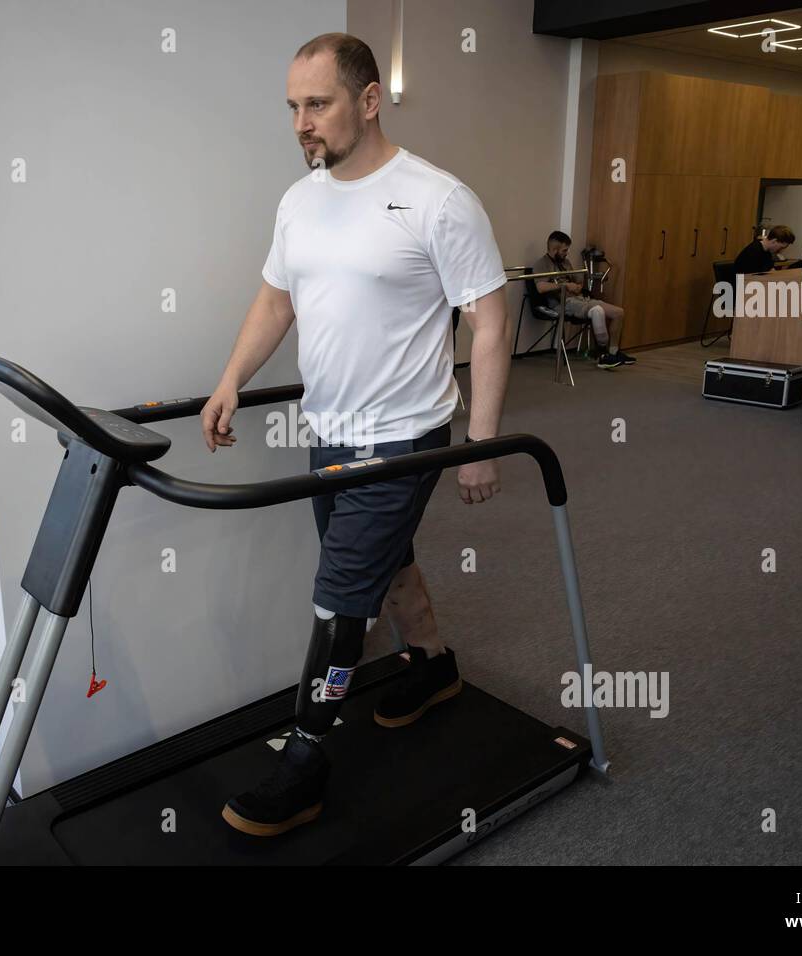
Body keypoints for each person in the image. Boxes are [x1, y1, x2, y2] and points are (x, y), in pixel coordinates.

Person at [199, 33, 509, 837]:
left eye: (317, 104)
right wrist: (231, 378)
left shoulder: (438, 198)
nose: (301, 123)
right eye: (293, 107)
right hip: (328, 429)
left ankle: (304, 762)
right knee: (386, 561)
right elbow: (276, 301)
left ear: (369, 101)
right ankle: (436, 664)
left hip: (405, 436)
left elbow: (490, 318)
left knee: (340, 602)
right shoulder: (299, 200)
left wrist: (477, 442)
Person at [535, 231, 635, 369]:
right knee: (597, 311)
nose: (567, 253)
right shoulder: (542, 264)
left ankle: (614, 351)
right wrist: (565, 285)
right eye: (565, 250)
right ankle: (603, 355)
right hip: (563, 303)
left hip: (580, 299)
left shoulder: (566, 263)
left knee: (619, 312)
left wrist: (578, 286)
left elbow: (578, 281)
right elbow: (540, 287)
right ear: (554, 249)